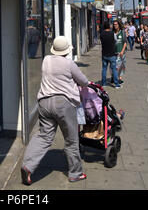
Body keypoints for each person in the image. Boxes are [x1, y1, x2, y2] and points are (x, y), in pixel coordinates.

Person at [21, 36, 90, 185]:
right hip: (63, 103)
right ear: (66, 50)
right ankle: (75, 173)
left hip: (44, 102)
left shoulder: (46, 60)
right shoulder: (69, 63)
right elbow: (83, 81)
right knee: (71, 139)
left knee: (44, 137)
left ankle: (28, 165)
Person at [100, 21, 121, 89]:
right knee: (114, 69)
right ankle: (116, 84)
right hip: (112, 54)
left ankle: (103, 83)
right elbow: (116, 41)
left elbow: (101, 42)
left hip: (104, 54)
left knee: (104, 69)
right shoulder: (113, 33)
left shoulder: (101, 34)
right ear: (109, 26)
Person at [112, 20, 127, 84]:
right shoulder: (112, 33)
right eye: (114, 24)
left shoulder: (122, 32)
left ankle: (119, 78)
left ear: (119, 25)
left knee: (121, 66)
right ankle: (114, 77)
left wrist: (122, 51)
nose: (115, 25)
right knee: (114, 66)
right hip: (114, 52)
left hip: (121, 52)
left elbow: (125, 43)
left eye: (116, 24)